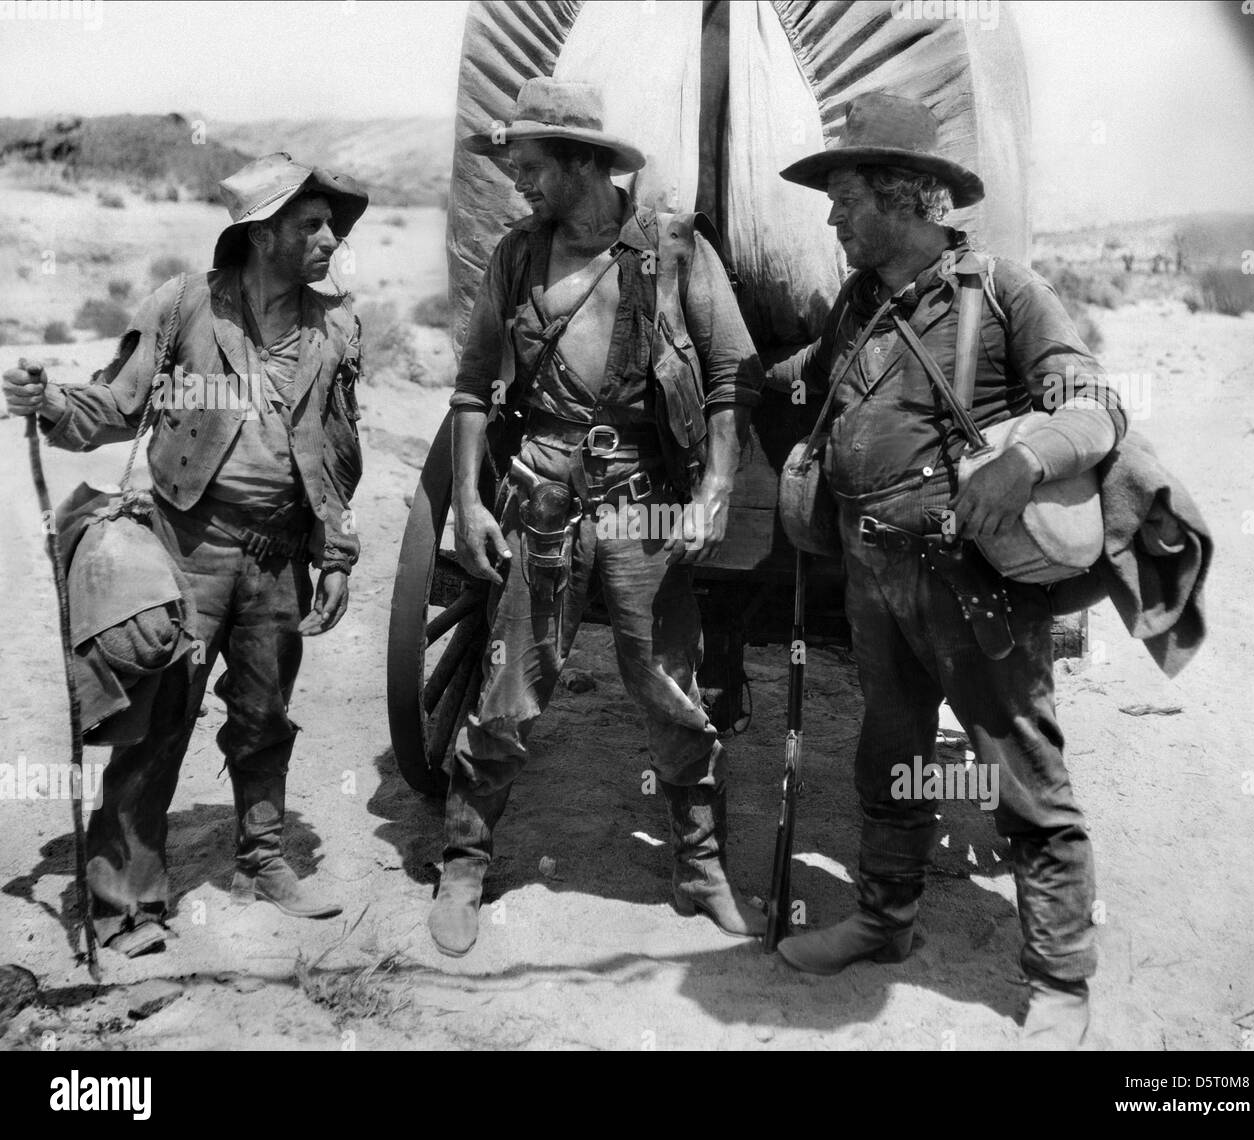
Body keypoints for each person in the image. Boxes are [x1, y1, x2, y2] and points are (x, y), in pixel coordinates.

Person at [768, 93, 1126, 1048]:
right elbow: (830, 373)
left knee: (1019, 768)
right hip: (874, 577)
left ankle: (1058, 977)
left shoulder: (1008, 292)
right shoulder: (859, 303)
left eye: (846, 198)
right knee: (889, 750)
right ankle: (882, 922)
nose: (833, 218)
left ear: (906, 197)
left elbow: (1094, 407)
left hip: (972, 588)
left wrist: (1024, 461)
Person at [431, 78, 765, 957]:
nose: (520, 185)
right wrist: (467, 500)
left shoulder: (676, 253)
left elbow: (729, 377)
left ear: (584, 163)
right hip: (540, 496)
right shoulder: (515, 257)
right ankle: (464, 862)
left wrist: (716, 488)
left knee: (670, 687)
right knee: (508, 688)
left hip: (644, 504)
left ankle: (698, 866)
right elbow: (471, 390)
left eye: (533, 167)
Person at [3, 153, 368, 956]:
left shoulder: (334, 326)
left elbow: (340, 453)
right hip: (187, 545)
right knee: (157, 721)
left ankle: (265, 860)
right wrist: (55, 402)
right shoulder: (185, 307)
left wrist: (334, 555)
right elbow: (117, 405)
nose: (329, 236)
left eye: (330, 223)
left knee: (265, 715)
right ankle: (128, 902)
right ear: (261, 231)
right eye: (309, 224)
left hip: (279, 556)